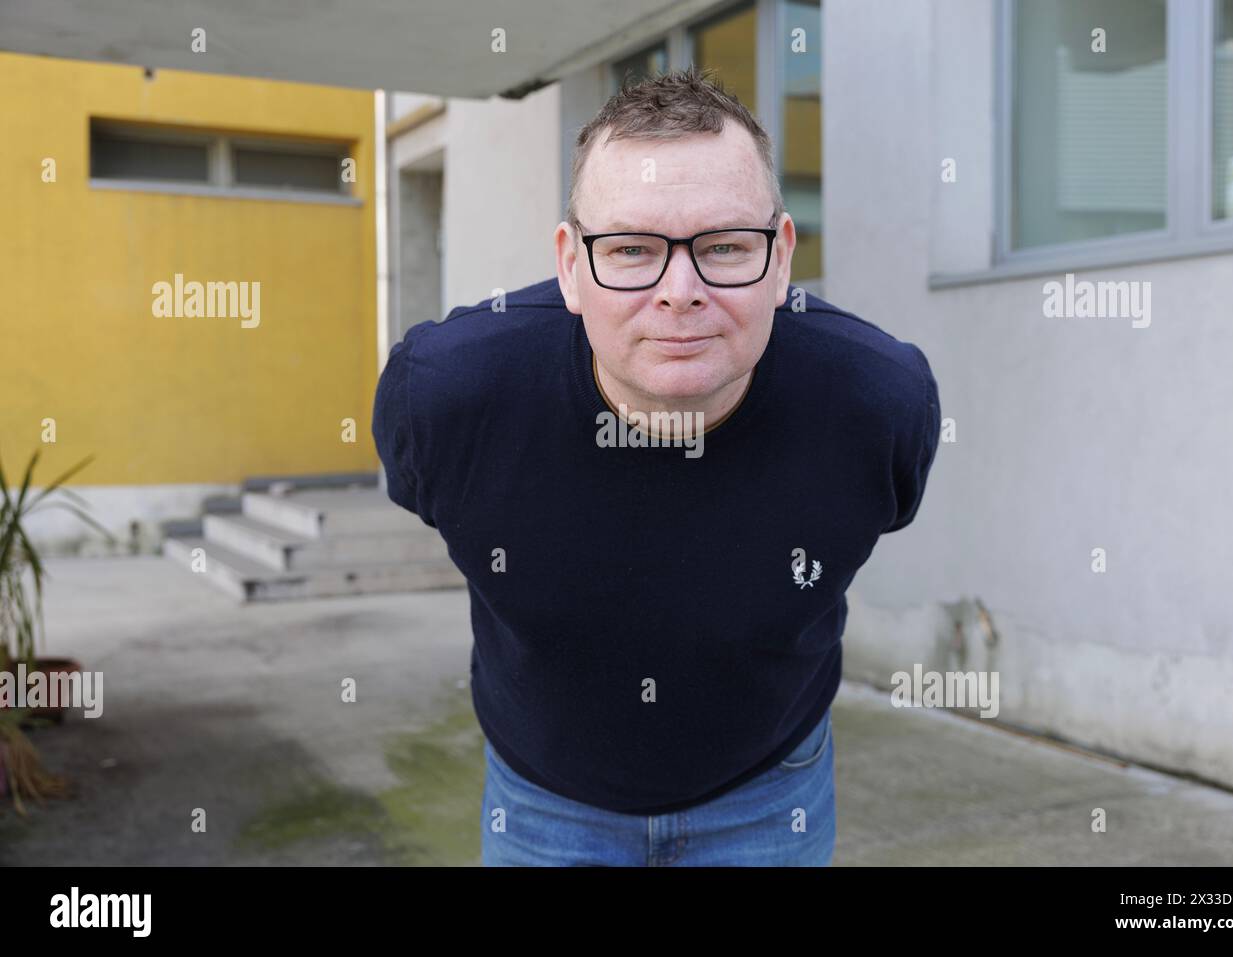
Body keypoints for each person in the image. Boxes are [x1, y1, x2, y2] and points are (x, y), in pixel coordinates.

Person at [372, 66, 940, 866]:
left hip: (772, 792)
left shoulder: (878, 404)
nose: (681, 291)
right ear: (570, 264)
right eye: (633, 248)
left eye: (724, 246)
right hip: (542, 799)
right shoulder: (446, 399)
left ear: (781, 259)